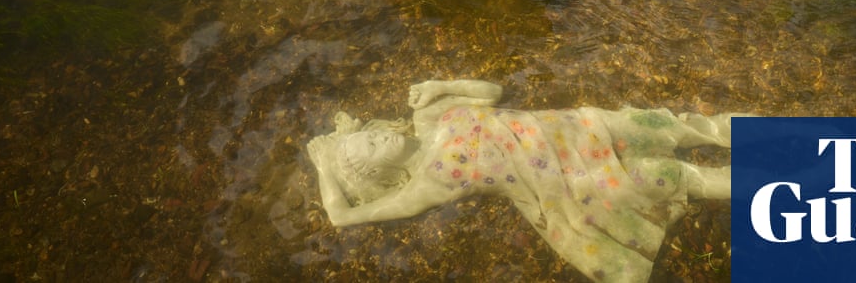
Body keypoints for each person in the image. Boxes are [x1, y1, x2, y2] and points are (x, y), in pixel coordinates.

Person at [307, 80, 743, 283]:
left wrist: (441, 85)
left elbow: (491, 93)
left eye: (366, 134)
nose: (374, 137)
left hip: (578, 127)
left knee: (678, 127)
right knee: (676, 177)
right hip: (574, 182)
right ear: (378, 174)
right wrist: (326, 167)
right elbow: (342, 216)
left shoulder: (427, 116)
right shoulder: (424, 185)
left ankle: (777, 135)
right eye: (366, 149)